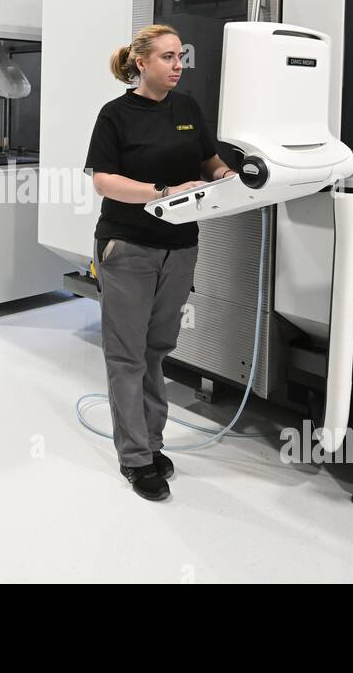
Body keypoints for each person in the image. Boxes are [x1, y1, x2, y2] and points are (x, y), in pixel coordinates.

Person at [84, 24, 236, 502]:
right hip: (128, 247)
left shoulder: (187, 108)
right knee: (127, 356)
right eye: (168, 57)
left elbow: (208, 159)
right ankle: (135, 458)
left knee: (156, 350)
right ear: (141, 62)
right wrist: (165, 192)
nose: (178, 65)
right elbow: (104, 182)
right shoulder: (116, 114)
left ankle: (151, 442)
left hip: (180, 246)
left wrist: (225, 175)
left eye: (180, 57)